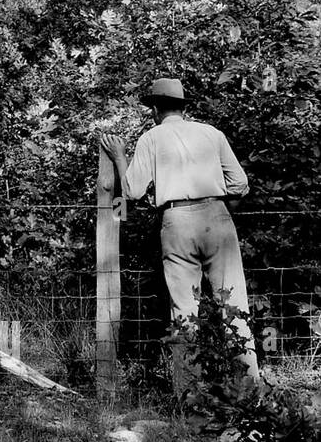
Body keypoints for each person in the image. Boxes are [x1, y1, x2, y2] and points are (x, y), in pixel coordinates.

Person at [98, 78, 260, 394]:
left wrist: (120, 156)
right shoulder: (212, 134)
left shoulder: (151, 138)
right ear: (183, 107)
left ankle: (191, 397)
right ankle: (251, 394)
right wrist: (210, 195)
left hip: (176, 220)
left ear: (156, 109)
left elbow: (131, 191)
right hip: (218, 217)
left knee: (185, 311)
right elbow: (241, 184)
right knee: (234, 307)